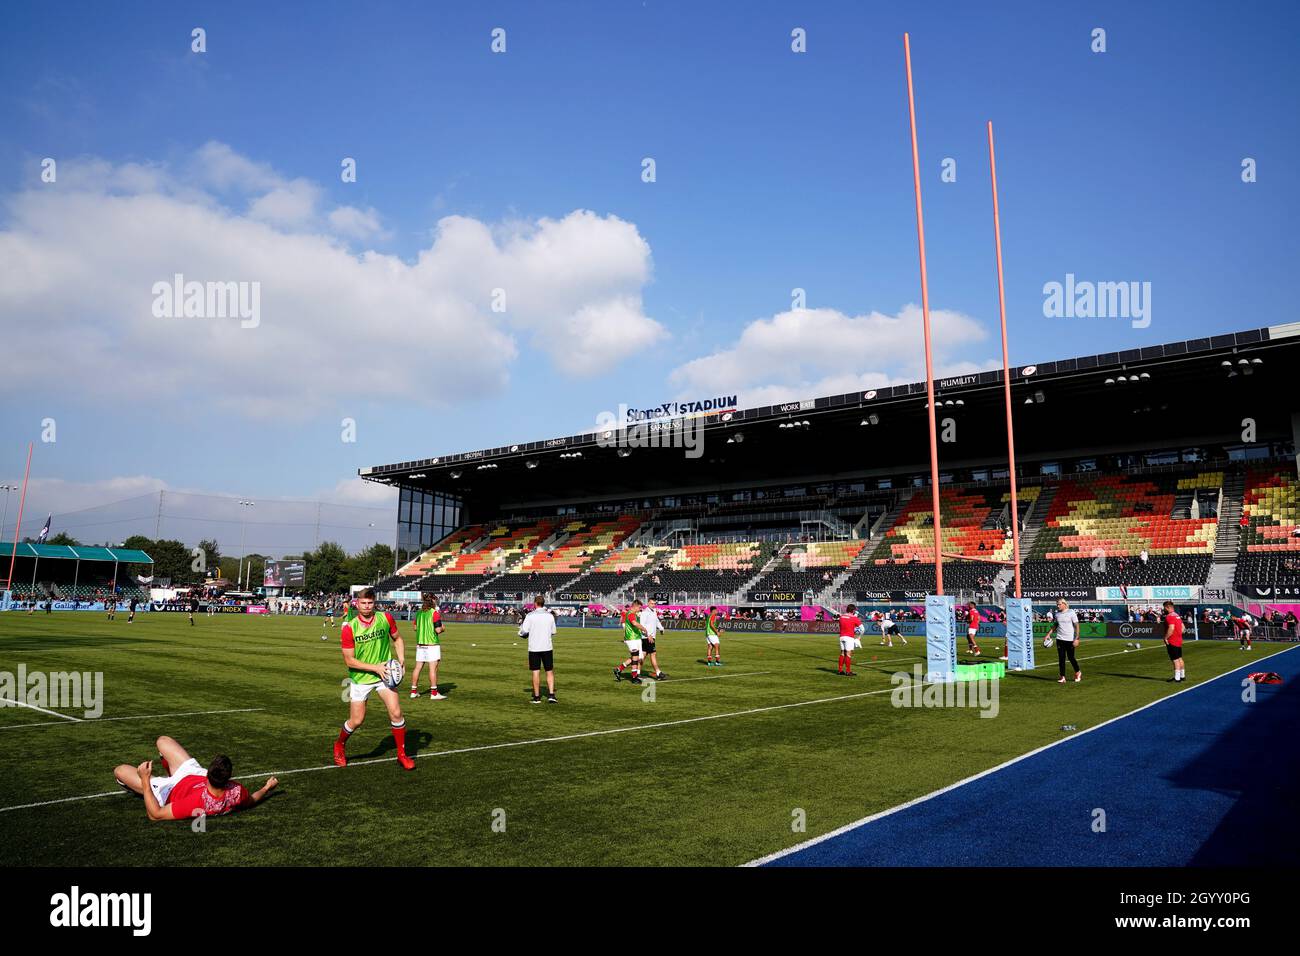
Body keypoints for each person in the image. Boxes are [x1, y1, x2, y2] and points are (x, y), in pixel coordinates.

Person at [333, 588, 414, 770]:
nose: (367, 606)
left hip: (384, 675)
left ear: (374, 603)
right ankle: (340, 744)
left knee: (396, 713)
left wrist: (401, 659)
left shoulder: (385, 618)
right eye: (363, 603)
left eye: (370, 603)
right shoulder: (349, 628)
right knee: (357, 720)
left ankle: (401, 754)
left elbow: (398, 639)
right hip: (361, 678)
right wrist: (375, 667)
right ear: (357, 603)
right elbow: (349, 660)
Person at [113, 734, 277, 821]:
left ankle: (148, 783)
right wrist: (266, 788)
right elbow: (251, 801)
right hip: (192, 775)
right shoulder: (236, 791)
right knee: (162, 740)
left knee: (120, 771)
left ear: (208, 775)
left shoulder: (195, 802)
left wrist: (145, 779)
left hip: (169, 791)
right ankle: (170, 769)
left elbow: (155, 814)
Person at [519, 594, 558, 703]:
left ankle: (537, 697)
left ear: (535, 603)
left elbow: (524, 632)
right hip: (547, 647)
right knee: (549, 671)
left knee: (536, 672)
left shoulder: (530, 615)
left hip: (534, 648)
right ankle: (551, 695)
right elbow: (554, 632)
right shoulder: (549, 616)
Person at [409, 594, 447, 700]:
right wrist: (443, 628)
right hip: (432, 644)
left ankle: (413, 691)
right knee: (433, 669)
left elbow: (415, 628)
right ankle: (434, 693)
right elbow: (438, 630)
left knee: (417, 668)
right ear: (433, 601)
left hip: (420, 644)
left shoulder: (419, 613)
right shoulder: (434, 613)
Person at [1046, 597, 1081, 684]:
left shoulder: (1071, 612)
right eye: (1057, 604)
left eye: (1059, 604)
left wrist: (1077, 638)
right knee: (1061, 658)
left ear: (1064, 604)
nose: (1057, 606)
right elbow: (1055, 626)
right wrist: (1048, 634)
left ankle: (1078, 672)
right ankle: (1062, 677)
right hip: (1060, 639)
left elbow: (1076, 626)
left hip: (1069, 639)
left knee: (1071, 657)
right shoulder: (1057, 614)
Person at [614, 599, 646, 685]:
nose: (640, 609)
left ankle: (619, 669)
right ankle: (634, 677)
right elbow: (634, 623)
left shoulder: (633, 613)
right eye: (639, 607)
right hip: (632, 638)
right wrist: (644, 629)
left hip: (636, 637)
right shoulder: (631, 614)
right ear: (635, 606)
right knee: (635, 657)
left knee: (636, 657)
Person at [639, 598, 668, 680]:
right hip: (647, 637)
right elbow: (642, 625)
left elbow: (657, 621)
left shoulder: (654, 611)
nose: (653, 605)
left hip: (650, 637)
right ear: (648, 603)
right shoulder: (644, 613)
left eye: (654, 603)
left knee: (643, 655)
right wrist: (648, 635)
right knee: (653, 654)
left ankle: (637, 672)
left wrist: (661, 628)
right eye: (652, 603)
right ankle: (658, 672)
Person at [832, 604, 863, 676]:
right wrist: (859, 637)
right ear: (853, 610)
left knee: (842, 653)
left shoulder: (841, 617)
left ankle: (840, 670)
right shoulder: (854, 618)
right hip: (849, 637)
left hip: (841, 636)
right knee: (848, 654)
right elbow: (862, 629)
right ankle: (848, 671)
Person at [1163, 600, 1186, 682]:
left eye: (1164, 608)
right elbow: (1183, 628)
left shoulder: (1169, 616)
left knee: (1175, 659)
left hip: (1172, 640)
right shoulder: (1177, 615)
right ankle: (1182, 676)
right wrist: (1179, 634)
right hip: (1179, 640)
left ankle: (1177, 678)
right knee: (1180, 658)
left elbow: (1171, 628)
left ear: (1167, 607)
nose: (1164, 610)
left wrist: (1166, 638)